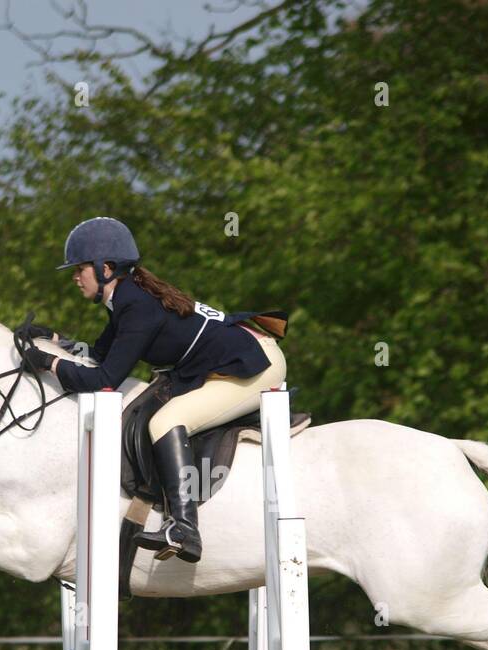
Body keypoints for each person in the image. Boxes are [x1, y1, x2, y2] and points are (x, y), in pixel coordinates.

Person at [18, 216, 287, 564]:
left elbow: (104, 382)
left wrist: (46, 363)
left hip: (253, 367)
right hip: (228, 362)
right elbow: (97, 356)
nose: (74, 276)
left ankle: (185, 527)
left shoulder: (136, 307)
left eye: (80, 268)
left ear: (105, 268)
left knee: (165, 421)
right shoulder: (125, 301)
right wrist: (54, 341)